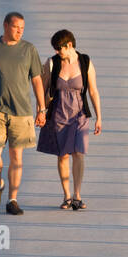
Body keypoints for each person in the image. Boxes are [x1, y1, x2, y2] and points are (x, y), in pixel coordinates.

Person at [0, 12, 47, 215]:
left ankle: (12, 200)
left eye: (22, 27)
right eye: (16, 27)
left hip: (21, 112)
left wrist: (42, 109)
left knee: (16, 157)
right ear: (5, 25)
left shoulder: (29, 49)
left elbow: (37, 80)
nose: (20, 31)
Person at [36, 29, 103, 209]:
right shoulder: (52, 63)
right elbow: (41, 90)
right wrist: (40, 111)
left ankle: (77, 195)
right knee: (63, 155)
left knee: (79, 153)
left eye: (60, 48)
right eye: (56, 49)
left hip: (79, 115)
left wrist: (99, 117)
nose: (57, 52)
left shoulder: (85, 62)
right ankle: (66, 195)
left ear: (69, 45)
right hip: (58, 114)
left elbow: (94, 91)